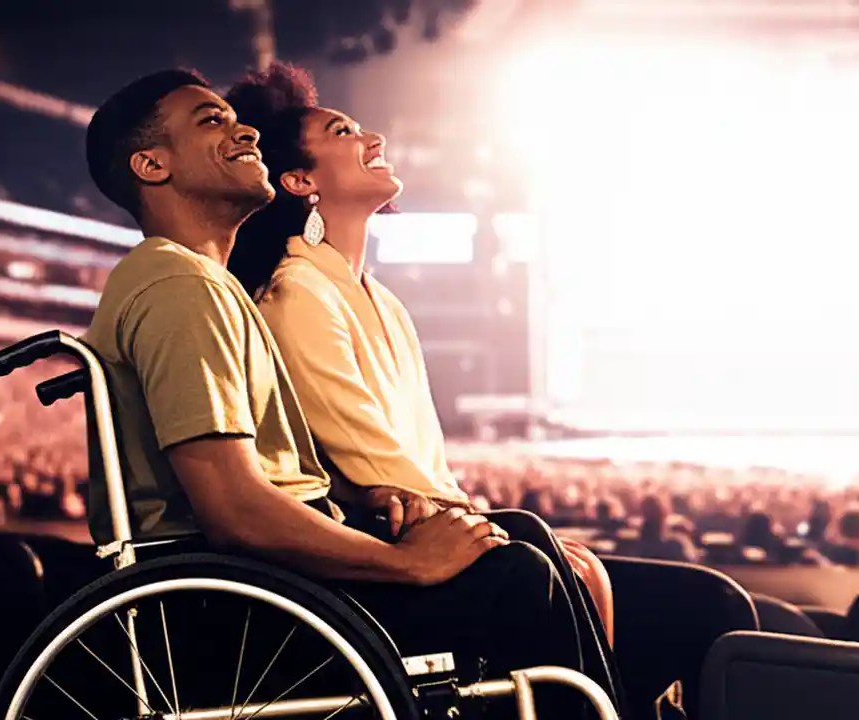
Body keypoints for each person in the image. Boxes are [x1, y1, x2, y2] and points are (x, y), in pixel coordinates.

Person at [80, 69, 612, 720]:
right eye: (210, 121)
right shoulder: (180, 289)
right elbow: (233, 510)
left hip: (261, 587)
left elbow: (260, 486)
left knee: (520, 542)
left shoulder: (201, 284)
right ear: (151, 165)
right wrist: (402, 563)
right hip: (238, 609)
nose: (244, 128)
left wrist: (363, 498)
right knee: (519, 576)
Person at [223, 63, 617, 647]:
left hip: (415, 512)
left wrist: (466, 516)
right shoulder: (296, 292)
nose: (372, 139)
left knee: (581, 567)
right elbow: (361, 448)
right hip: (372, 538)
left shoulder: (382, 301)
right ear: (301, 181)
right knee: (555, 567)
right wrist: (469, 524)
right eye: (342, 133)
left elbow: (419, 453)